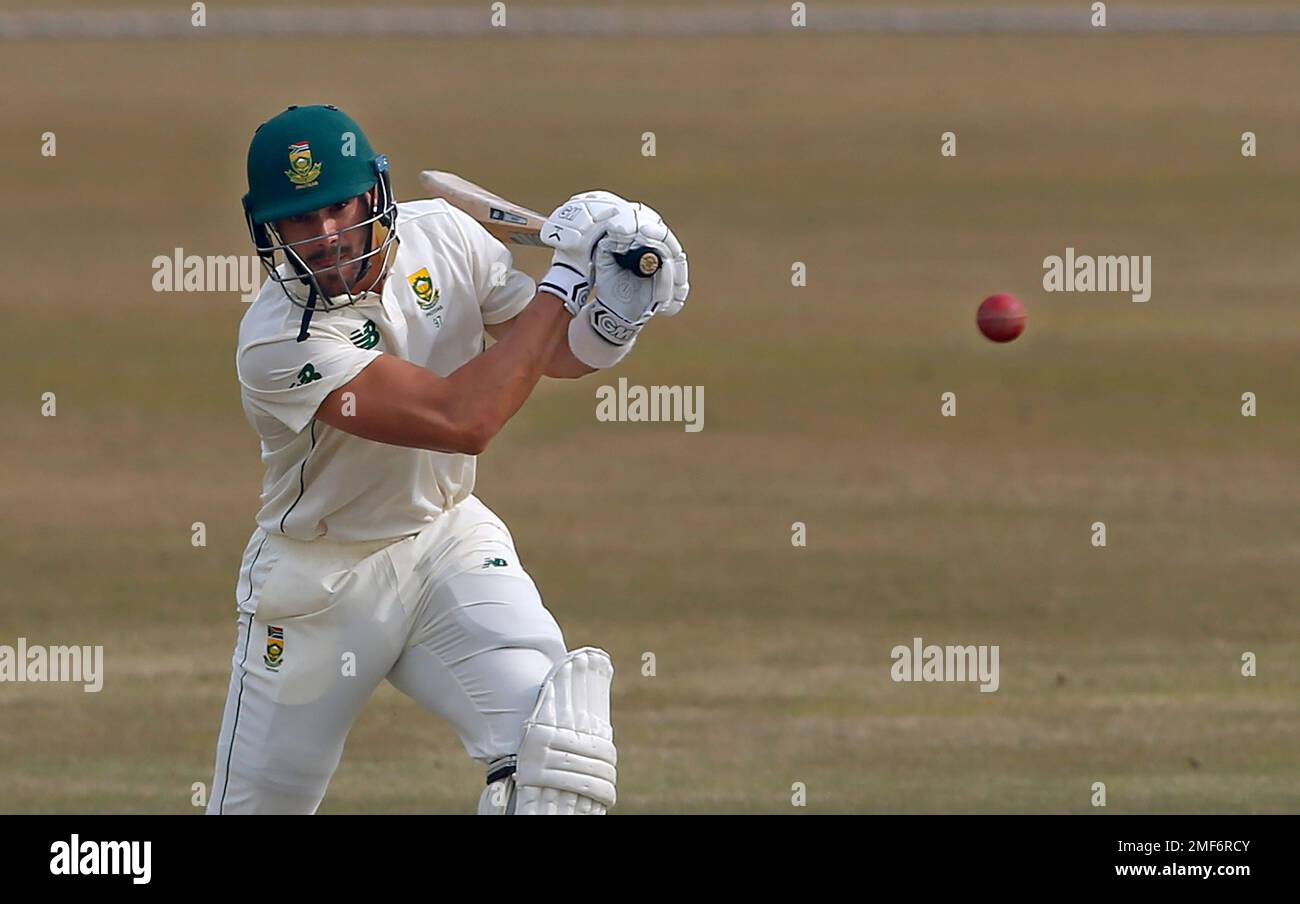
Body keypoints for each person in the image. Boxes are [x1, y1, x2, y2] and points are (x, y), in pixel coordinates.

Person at [205, 104, 688, 814]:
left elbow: (547, 351)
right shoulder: (276, 345)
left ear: (375, 194)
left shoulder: (448, 236)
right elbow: (464, 419)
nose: (329, 236)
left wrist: (612, 311)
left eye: (339, 208)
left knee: (556, 755)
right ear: (269, 230)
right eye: (302, 220)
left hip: (447, 541)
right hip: (317, 584)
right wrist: (563, 281)